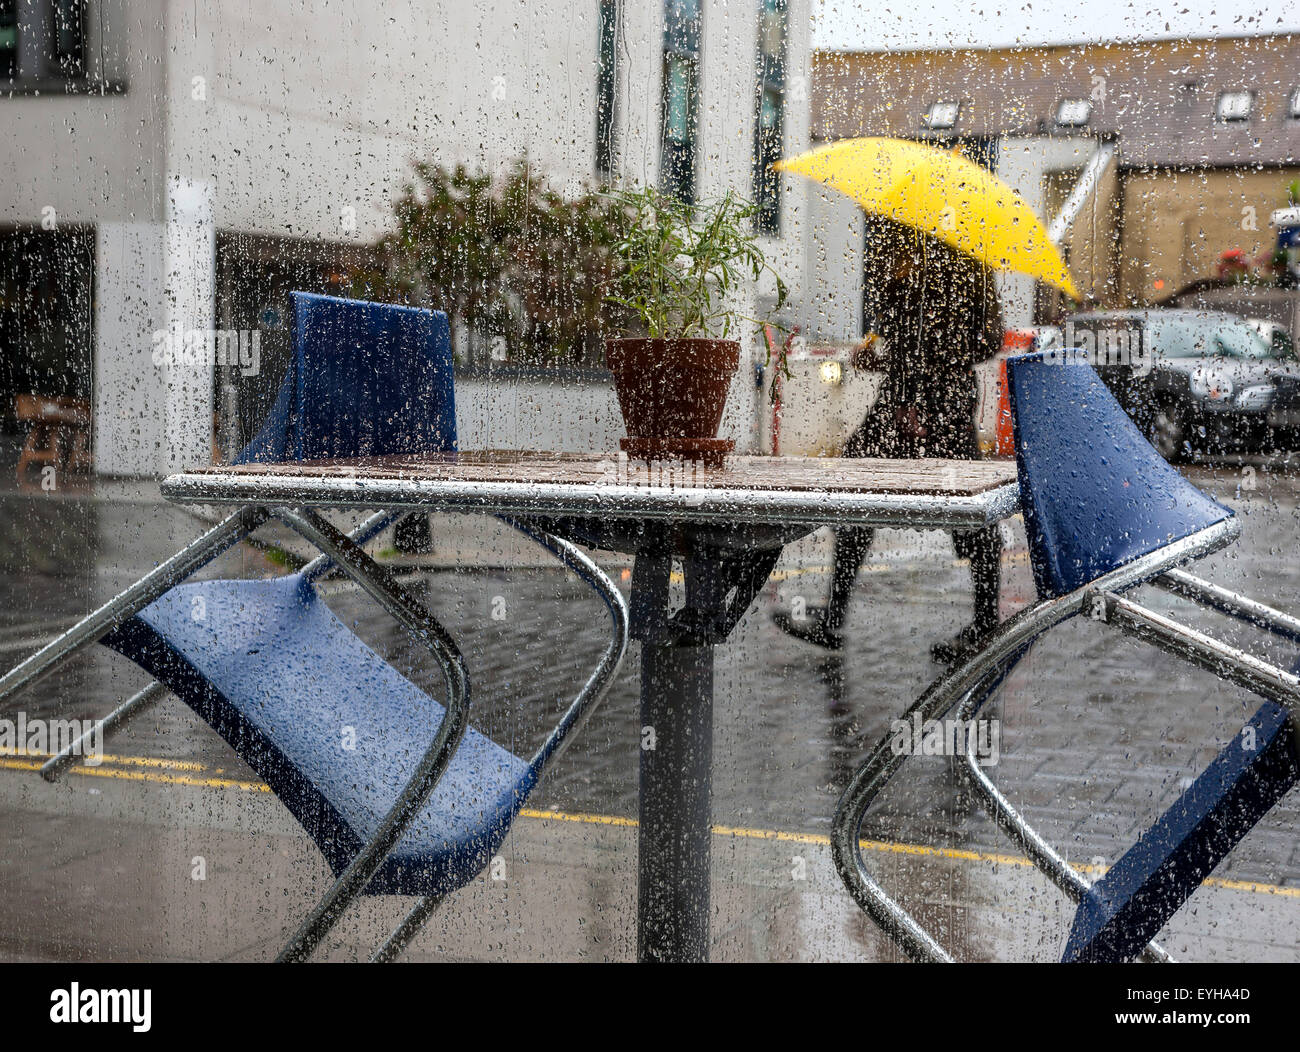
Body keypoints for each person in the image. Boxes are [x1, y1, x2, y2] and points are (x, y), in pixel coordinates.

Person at [774, 222, 1004, 664]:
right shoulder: (903, 268)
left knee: (968, 505)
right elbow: (900, 338)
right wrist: (880, 358)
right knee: (858, 487)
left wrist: (927, 366)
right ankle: (834, 615)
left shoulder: (968, 268)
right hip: (902, 394)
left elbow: (989, 339)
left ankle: (984, 624)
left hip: (942, 399)